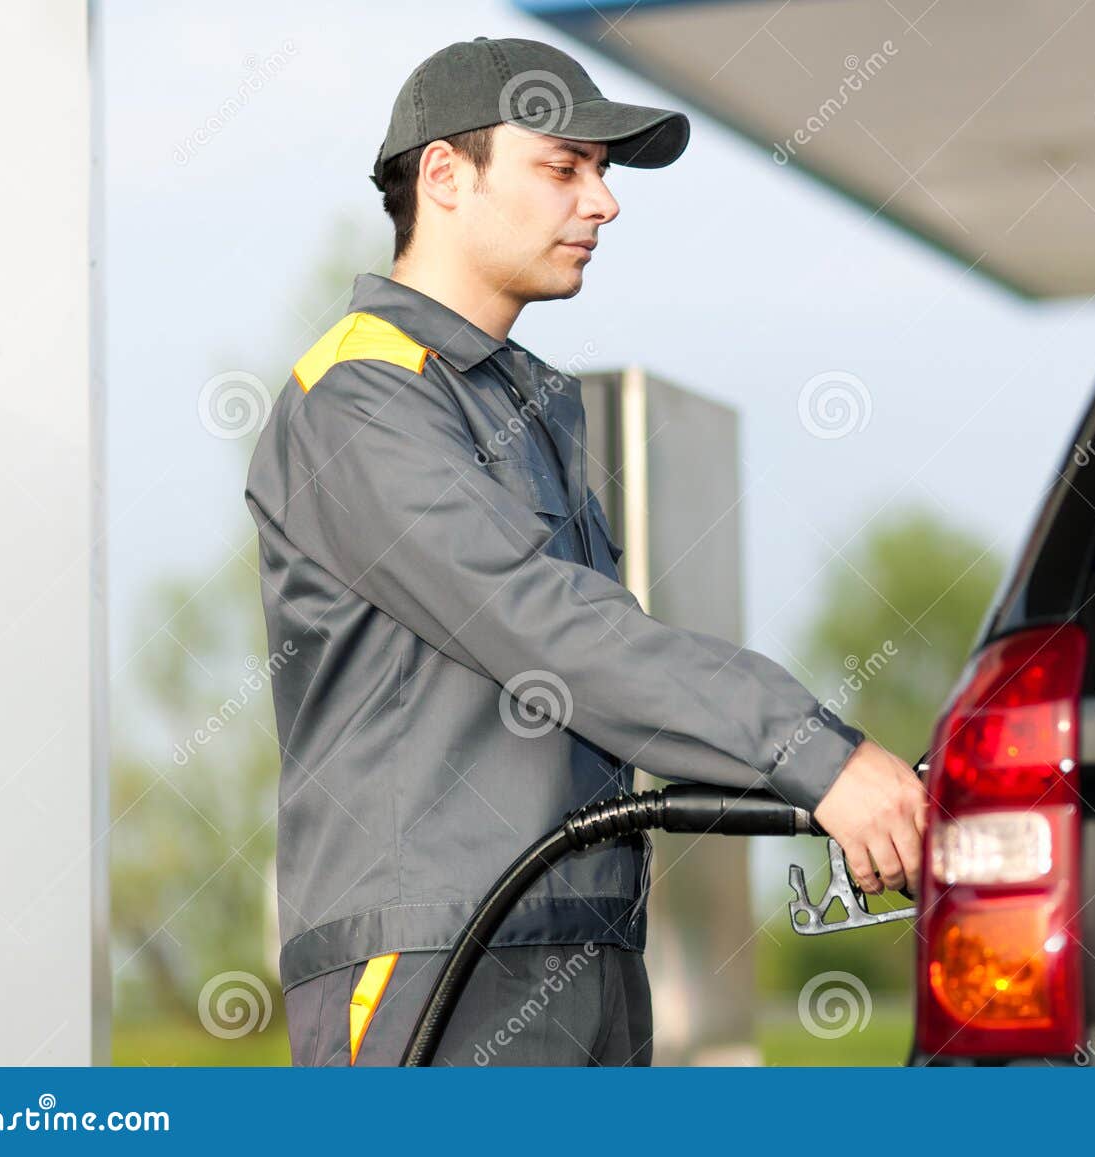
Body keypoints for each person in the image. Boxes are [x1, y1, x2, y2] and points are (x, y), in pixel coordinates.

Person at [243, 35, 927, 1067]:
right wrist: (813, 753)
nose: (602, 203)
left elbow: (594, 667)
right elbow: (546, 626)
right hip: (439, 954)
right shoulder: (361, 396)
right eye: (562, 168)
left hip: (583, 937)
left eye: (601, 174)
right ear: (444, 175)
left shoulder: (523, 401)